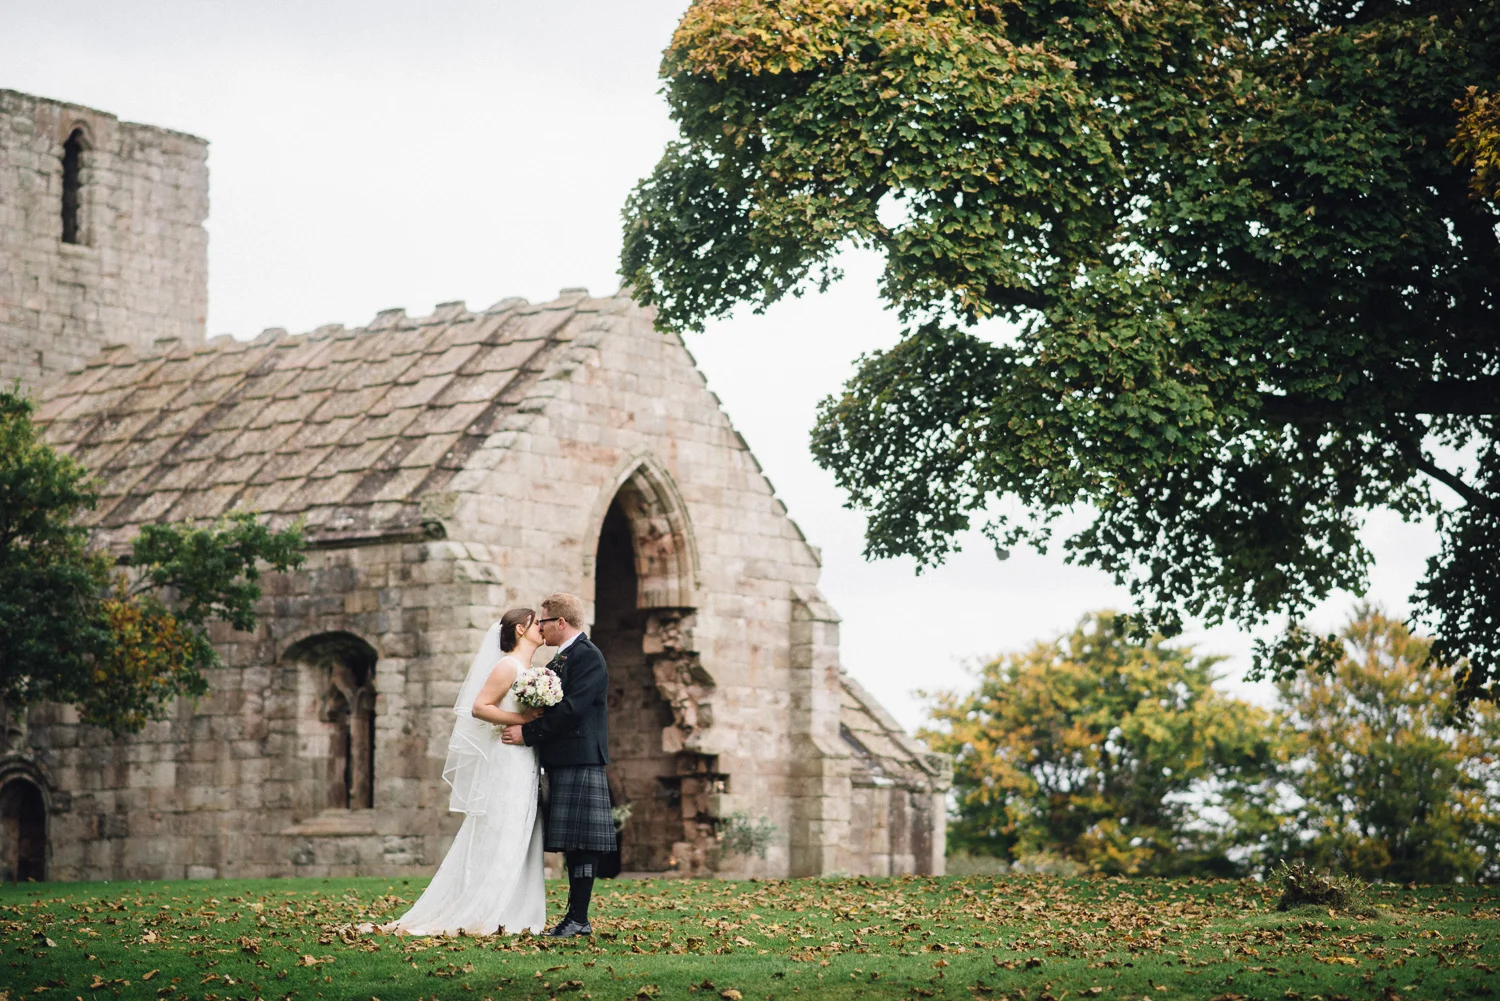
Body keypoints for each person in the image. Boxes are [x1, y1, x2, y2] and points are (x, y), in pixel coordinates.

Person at [384, 608, 548, 936]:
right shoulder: (508, 665)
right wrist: (524, 721)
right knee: (503, 826)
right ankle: (486, 907)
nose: (542, 628)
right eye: (536, 623)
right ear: (520, 629)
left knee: (523, 827)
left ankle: (518, 909)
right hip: (507, 756)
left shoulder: (532, 669)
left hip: (526, 756)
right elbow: (479, 707)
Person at [501, 592, 615, 937]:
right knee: (576, 842)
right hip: (566, 758)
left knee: (583, 842)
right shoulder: (564, 658)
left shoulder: (588, 657)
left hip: (581, 758)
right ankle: (575, 918)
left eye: (544, 621)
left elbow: (572, 710)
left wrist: (528, 733)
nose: (541, 627)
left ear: (560, 623)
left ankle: (578, 918)